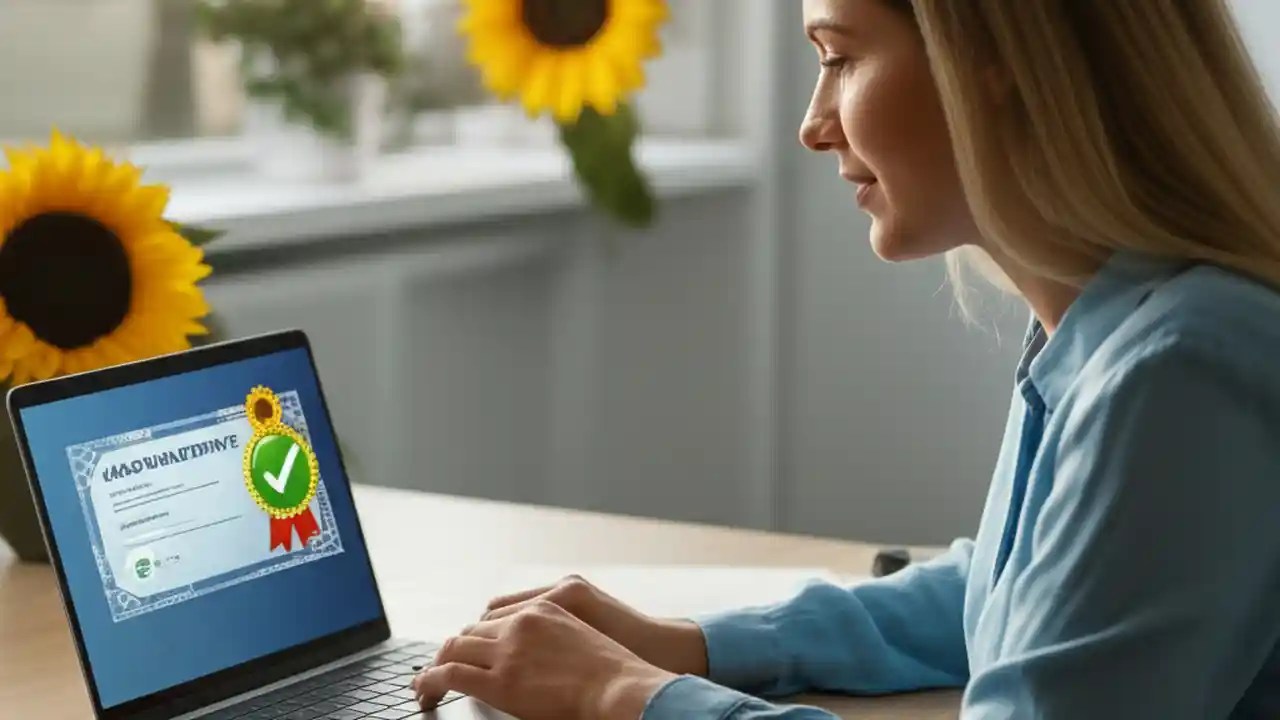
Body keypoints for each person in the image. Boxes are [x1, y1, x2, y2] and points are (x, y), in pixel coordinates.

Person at [413, 0, 1280, 717]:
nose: (811, 125)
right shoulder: (1118, 326)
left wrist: (626, 695)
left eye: (839, 56)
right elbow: (1011, 594)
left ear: (993, 59)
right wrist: (696, 645)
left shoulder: (1178, 372)